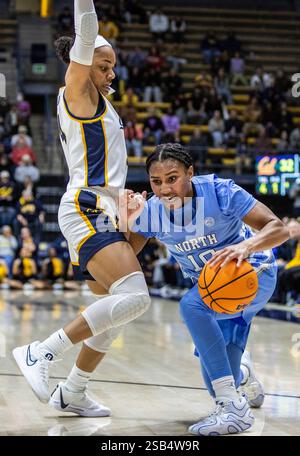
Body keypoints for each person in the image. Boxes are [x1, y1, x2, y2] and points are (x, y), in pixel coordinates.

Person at [12, 0, 150, 417]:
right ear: (84, 62)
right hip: (85, 206)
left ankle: (73, 390)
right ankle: (41, 353)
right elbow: (86, 31)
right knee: (136, 298)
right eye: (103, 65)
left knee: (115, 308)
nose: (111, 74)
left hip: (104, 210)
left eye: (112, 67)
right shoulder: (78, 94)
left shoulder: (101, 103)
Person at [126, 143, 289, 436]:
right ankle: (242, 378)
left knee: (192, 305)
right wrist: (126, 221)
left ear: (190, 172)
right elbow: (125, 258)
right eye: (156, 181)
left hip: (255, 272)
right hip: (217, 291)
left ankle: (233, 409)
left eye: (172, 178)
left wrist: (245, 245)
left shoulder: (220, 191)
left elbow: (279, 229)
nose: (165, 189)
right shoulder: (150, 210)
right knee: (215, 373)